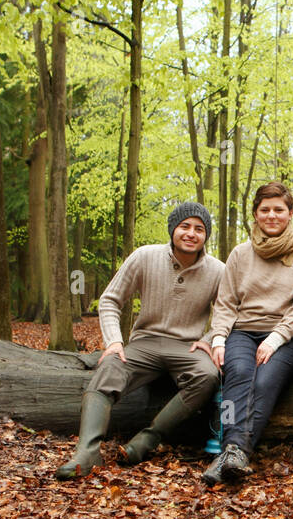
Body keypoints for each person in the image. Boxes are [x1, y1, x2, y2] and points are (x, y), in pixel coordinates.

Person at [55, 202, 223, 480]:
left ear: (206, 236)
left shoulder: (218, 270)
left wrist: (209, 338)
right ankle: (86, 451)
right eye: (185, 227)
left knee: (207, 375)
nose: (191, 233)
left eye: (199, 229)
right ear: (173, 230)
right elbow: (110, 299)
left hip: (188, 347)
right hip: (144, 342)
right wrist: (113, 341)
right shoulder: (145, 256)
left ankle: (148, 439)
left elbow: (229, 311)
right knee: (109, 366)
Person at [202, 181, 293, 486]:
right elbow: (226, 302)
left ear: (290, 213)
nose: (271, 215)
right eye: (264, 209)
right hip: (243, 330)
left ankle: (232, 451)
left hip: (288, 336)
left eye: (278, 209)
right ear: (255, 214)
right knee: (237, 373)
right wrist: (218, 339)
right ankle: (235, 452)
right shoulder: (240, 254)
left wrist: (275, 339)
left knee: (264, 381)